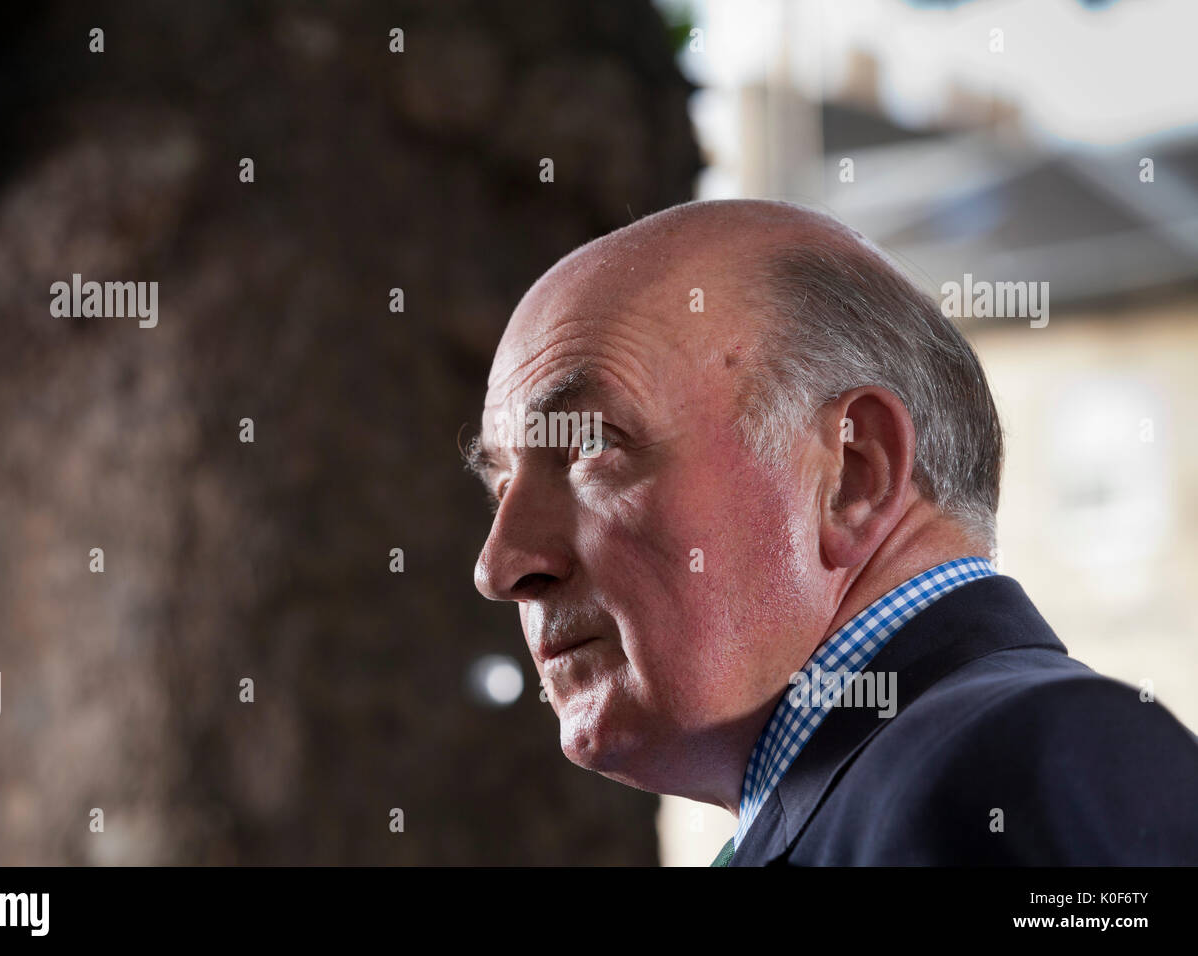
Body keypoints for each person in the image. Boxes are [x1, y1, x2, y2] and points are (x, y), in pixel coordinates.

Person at [465, 199, 1198, 865]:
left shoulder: (1039, 758)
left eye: (591, 446)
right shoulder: (904, 785)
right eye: (502, 486)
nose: (500, 566)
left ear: (853, 476)